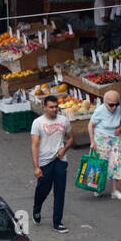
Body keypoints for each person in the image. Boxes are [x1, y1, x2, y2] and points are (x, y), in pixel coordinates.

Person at [30, 96, 73, 233]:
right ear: (44, 108)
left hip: (60, 160)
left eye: (56, 106)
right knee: (43, 189)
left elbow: (71, 138)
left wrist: (64, 149)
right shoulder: (38, 123)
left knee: (59, 192)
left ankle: (57, 222)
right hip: (44, 162)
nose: (54, 109)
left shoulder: (64, 120)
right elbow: (34, 145)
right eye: (51, 107)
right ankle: (37, 207)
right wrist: (36, 167)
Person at [88, 88, 121, 200]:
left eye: (116, 104)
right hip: (102, 138)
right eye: (111, 105)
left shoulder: (118, 109)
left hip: (115, 138)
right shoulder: (99, 111)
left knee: (116, 162)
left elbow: (120, 121)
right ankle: (98, 187)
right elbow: (91, 125)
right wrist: (92, 141)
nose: (114, 107)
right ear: (105, 103)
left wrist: (120, 128)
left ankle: (114, 190)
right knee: (101, 163)